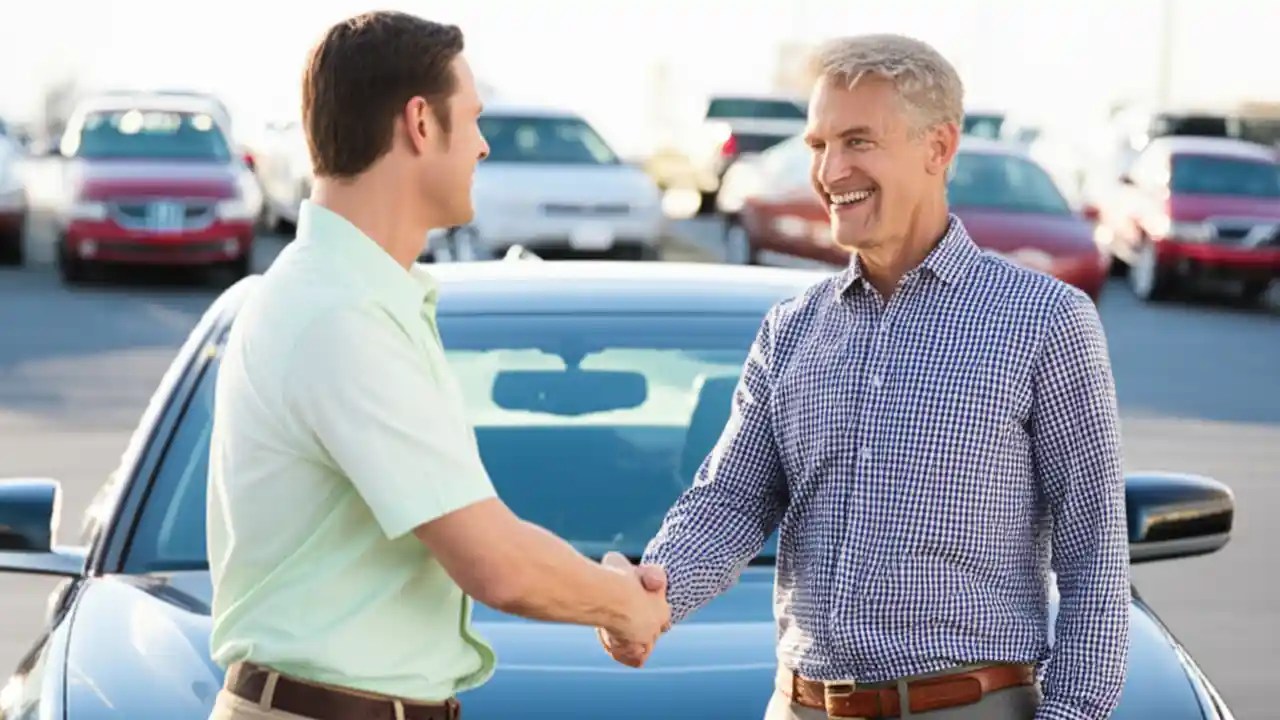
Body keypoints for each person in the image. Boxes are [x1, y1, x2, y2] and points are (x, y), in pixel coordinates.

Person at [600, 34, 1129, 720]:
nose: (829, 170)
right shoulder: (790, 329)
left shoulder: (1045, 320)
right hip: (801, 706)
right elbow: (730, 501)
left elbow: (1094, 551)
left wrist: (1076, 713)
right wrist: (652, 593)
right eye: (819, 145)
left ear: (938, 148)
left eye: (857, 142)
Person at [205, 11, 668, 720]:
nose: (483, 145)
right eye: (474, 118)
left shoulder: (346, 296)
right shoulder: (339, 315)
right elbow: (496, 564)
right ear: (420, 123)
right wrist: (621, 605)